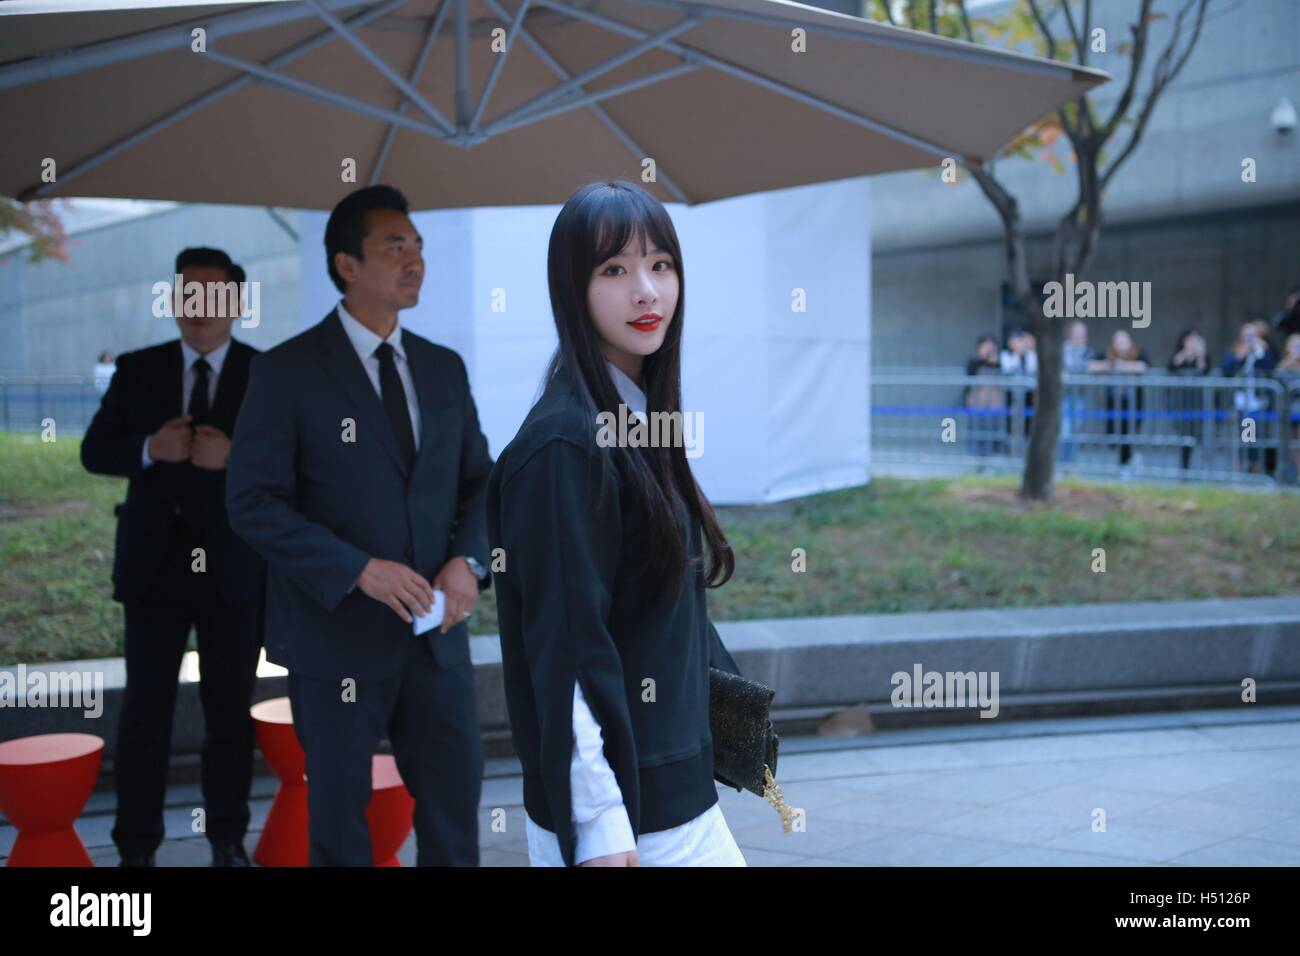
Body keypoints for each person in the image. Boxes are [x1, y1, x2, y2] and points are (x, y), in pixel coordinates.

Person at [226, 185, 493, 866]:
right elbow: (252, 502)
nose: (415, 261)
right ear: (347, 265)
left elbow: (480, 482)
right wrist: (357, 569)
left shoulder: (442, 367)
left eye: (419, 247)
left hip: (437, 640)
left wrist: (471, 562)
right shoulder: (284, 372)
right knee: (340, 831)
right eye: (394, 246)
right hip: (332, 641)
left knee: (455, 817)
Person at [486, 180, 747, 867]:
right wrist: (599, 824)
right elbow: (565, 643)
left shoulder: (634, 418)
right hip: (632, 820)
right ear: (573, 288)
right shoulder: (564, 446)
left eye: (661, 264)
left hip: (670, 794)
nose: (647, 291)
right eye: (614, 269)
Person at [80, 247, 265, 867]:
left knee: (229, 714)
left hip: (234, 573)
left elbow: (297, 466)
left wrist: (234, 457)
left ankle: (227, 841)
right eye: (186, 294)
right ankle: (135, 850)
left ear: (237, 304)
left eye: (212, 295)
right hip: (153, 571)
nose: (198, 308)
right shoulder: (138, 369)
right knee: (145, 716)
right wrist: (149, 448)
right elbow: (93, 452)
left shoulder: (267, 374)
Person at [1222, 317, 1280, 475]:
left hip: (1259, 402)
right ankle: (1241, 466)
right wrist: (1240, 355)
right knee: (1244, 435)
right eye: (1246, 335)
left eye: (1253, 335)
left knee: (1256, 435)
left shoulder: (1263, 351)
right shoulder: (1236, 351)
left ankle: (1256, 466)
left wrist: (1263, 351)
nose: (1249, 339)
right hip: (1241, 402)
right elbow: (1226, 369)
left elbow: (1271, 369)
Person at [1087, 329, 1148, 472]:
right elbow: (1090, 366)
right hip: (1113, 405)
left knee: (1128, 435)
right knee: (1113, 436)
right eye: (1117, 342)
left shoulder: (1138, 354)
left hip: (1132, 405)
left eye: (1123, 341)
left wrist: (1123, 366)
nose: (1120, 345)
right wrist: (1109, 365)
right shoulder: (1108, 355)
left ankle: (1125, 465)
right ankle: (1129, 460)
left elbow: (1143, 366)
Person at [1167, 328, 1210, 471]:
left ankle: (1201, 466)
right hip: (1181, 401)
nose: (1193, 343)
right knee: (1184, 435)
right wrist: (1185, 354)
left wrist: (1200, 355)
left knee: (1198, 434)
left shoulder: (1202, 355)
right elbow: (1172, 366)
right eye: (1190, 339)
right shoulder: (1180, 355)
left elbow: (1204, 369)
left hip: (1197, 402)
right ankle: (1184, 467)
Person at [963, 335, 1005, 463]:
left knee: (995, 428)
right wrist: (983, 359)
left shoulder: (1000, 361)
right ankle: (977, 457)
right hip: (977, 402)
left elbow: (1005, 374)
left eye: (991, 346)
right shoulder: (973, 361)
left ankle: (996, 455)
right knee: (977, 429)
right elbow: (969, 375)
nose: (988, 349)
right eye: (985, 345)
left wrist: (995, 362)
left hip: (995, 403)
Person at [1059, 320, 1094, 464]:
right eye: (1078, 333)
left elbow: (1088, 368)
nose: (1080, 336)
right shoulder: (1062, 350)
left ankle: (1070, 463)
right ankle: (1061, 462)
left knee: (1075, 430)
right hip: (1063, 396)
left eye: (1083, 333)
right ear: (1070, 334)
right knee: (1064, 430)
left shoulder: (1087, 351)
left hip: (1079, 396)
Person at [999, 326, 1036, 440]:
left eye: (1021, 340)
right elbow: (1008, 368)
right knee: (1011, 419)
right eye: (1016, 340)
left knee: (1028, 418)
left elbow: (1033, 368)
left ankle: (1027, 442)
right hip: (1012, 392)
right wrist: (1017, 355)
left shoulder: (1030, 355)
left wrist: (1028, 350)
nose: (1019, 343)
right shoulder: (1005, 355)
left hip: (1028, 392)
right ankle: (1010, 444)